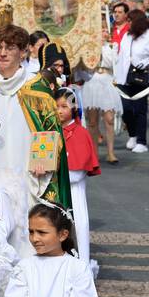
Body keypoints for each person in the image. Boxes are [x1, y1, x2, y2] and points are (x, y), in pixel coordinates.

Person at [0, 23, 71, 251]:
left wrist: (45, 163)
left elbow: (51, 134)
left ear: (23, 52)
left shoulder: (37, 90)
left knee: (24, 239)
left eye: (10, 48)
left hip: (27, 176)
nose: (2, 53)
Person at [58, 89, 100, 272]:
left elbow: (78, 173)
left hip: (73, 192)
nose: (59, 110)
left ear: (74, 108)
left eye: (63, 106)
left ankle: (81, 268)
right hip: (54, 190)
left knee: (77, 229)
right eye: (56, 106)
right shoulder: (50, 131)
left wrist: (55, 170)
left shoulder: (81, 134)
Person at [114, 9, 149, 153]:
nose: (128, 23)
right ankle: (132, 134)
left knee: (139, 109)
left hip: (141, 78)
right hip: (124, 78)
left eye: (130, 20)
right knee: (126, 109)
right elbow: (121, 57)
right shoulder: (127, 36)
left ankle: (141, 141)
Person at [82, 44, 122, 164]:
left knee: (109, 118)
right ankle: (94, 153)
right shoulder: (87, 45)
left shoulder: (111, 47)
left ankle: (111, 152)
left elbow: (115, 64)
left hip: (107, 81)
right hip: (92, 80)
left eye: (105, 29)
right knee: (93, 121)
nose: (103, 32)